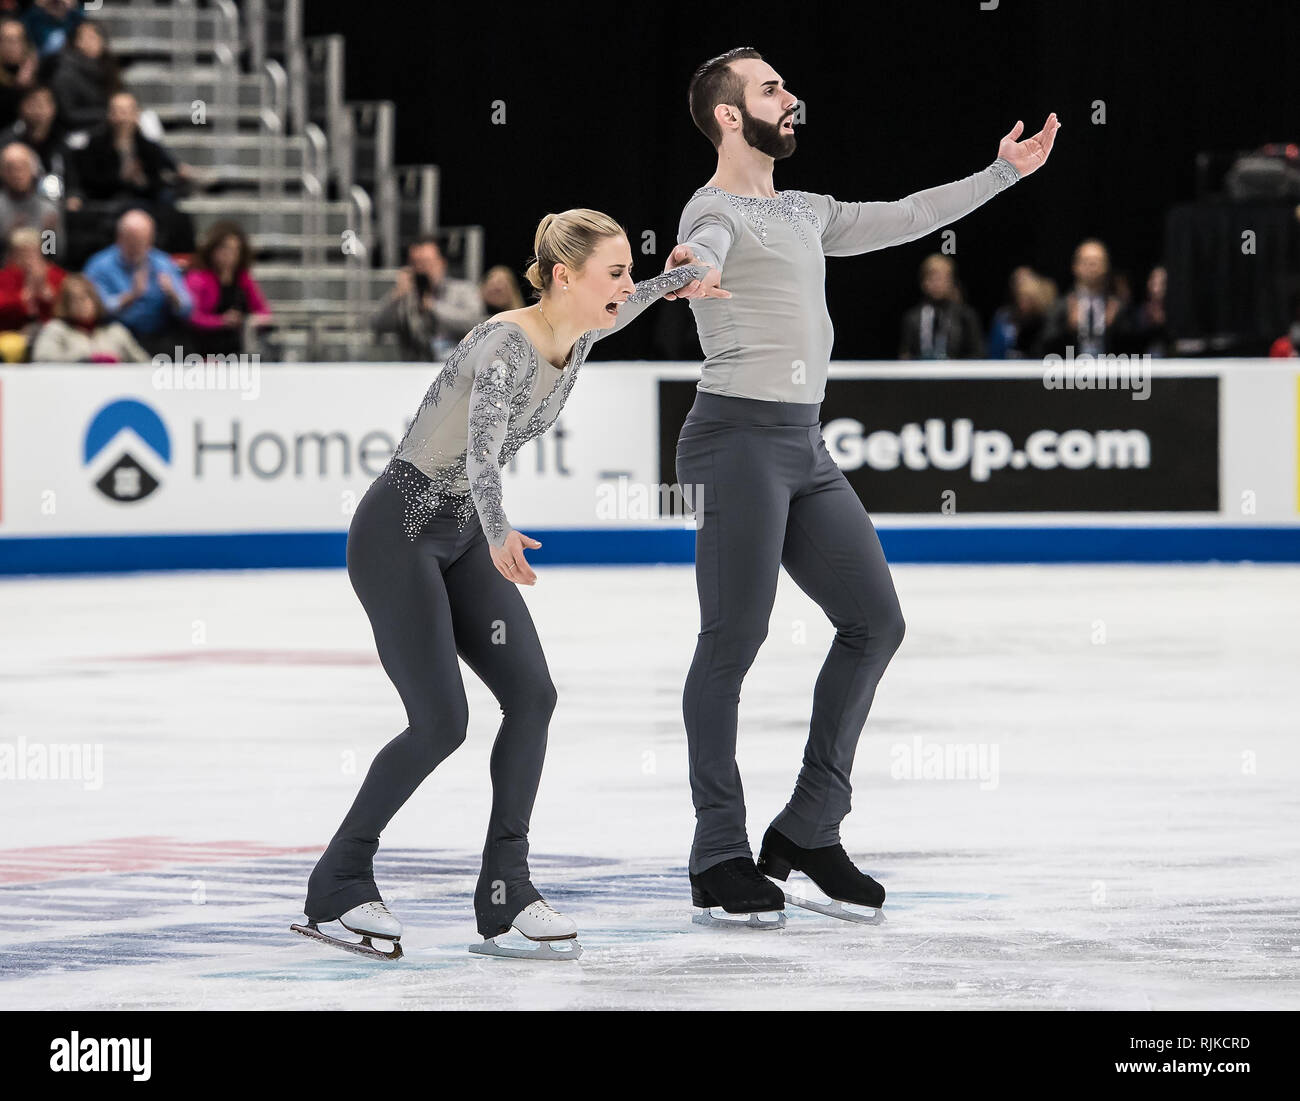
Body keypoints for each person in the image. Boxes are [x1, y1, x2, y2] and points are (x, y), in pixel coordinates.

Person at [667, 47, 1057, 926]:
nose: (791, 97)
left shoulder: (807, 209)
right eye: (771, 89)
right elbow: (704, 244)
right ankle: (718, 849)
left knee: (877, 620)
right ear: (730, 116)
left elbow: (913, 213)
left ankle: (809, 825)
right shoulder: (713, 207)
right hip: (735, 439)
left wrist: (1004, 171)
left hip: (802, 443)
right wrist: (694, 263)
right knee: (735, 636)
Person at [295, 210, 719, 961]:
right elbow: (482, 454)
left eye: (627, 271)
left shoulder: (581, 328)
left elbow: (651, 294)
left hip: (458, 536)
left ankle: (505, 891)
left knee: (532, 695)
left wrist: (688, 275)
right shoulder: (504, 346)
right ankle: (337, 881)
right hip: (398, 532)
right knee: (440, 722)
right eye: (614, 272)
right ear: (564, 277)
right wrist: (497, 533)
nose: (627, 284)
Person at [83, 207, 192, 355]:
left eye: (143, 241)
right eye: (132, 241)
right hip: (116, 333)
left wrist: (172, 295)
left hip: (158, 334)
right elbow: (95, 309)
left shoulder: (163, 263)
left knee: (185, 349)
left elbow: (188, 308)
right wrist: (131, 296)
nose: (138, 247)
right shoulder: (99, 265)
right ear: (120, 238)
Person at [370, 235, 485, 361]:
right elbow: (376, 325)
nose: (421, 269)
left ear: (442, 263)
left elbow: (474, 322)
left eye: (426, 263)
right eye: (415, 263)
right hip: (414, 369)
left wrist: (432, 307)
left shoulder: (463, 290)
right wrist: (396, 296)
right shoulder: (405, 297)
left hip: (456, 368)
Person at [182, 220, 271, 357]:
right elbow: (191, 317)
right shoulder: (198, 278)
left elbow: (263, 311)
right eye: (225, 249)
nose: (230, 255)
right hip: (202, 349)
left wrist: (252, 320)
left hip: (236, 348)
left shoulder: (243, 278)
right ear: (212, 250)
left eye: (235, 250)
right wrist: (221, 321)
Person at [29, 272, 147, 362]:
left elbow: (144, 363)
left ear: (95, 300)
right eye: (73, 300)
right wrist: (82, 361)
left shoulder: (115, 331)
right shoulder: (55, 330)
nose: (80, 304)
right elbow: (42, 360)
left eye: (85, 298)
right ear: (65, 304)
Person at [1039, 238, 1128, 357]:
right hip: (1071, 372)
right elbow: (1044, 345)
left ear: (1107, 266)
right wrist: (1068, 328)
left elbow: (1134, 347)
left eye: (1097, 261)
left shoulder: (1117, 306)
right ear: (1075, 266)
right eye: (1086, 261)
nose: (1092, 266)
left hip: (1109, 371)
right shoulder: (1061, 306)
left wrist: (1115, 327)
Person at [898, 253, 985, 359]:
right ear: (924, 282)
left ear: (951, 282)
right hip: (921, 373)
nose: (937, 283)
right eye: (932, 278)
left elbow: (977, 353)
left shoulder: (965, 316)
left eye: (941, 278)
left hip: (956, 374)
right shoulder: (912, 318)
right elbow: (905, 354)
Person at [0, 224, 63, 359]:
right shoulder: (5, 276)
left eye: (31, 252)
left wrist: (44, 290)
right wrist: (24, 295)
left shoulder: (56, 275)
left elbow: (67, 307)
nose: (27, 258)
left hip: (52, 333)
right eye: (21, 252)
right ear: (12, 255)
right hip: (12, 333)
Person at [49, 20, 121, 132]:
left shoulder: (108, 68)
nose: (90, 42)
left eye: (95, 37)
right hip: (75, 131)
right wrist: (107, 114)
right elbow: (67, 114)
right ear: (75, 42)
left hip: (105, 127)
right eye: (85, 38)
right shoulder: (65, 72)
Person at [987, 265, 1057, 359]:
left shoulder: (1047, 323)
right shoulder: (1005, 317)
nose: (1023, 304)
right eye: (1020, 298)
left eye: (1027, 300)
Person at [0, 141, 58, 242]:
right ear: (2, 172)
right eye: (11, 168)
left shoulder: (48, 209)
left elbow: (55, 254)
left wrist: (49, 234)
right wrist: (8, 238)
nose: (17, 174)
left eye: (22, 167)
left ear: (34, 170)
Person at [0, 18, 38, 130]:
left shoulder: (35, 70)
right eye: (6, 40)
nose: (12, 45)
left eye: (18, 39)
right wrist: (18, 88)